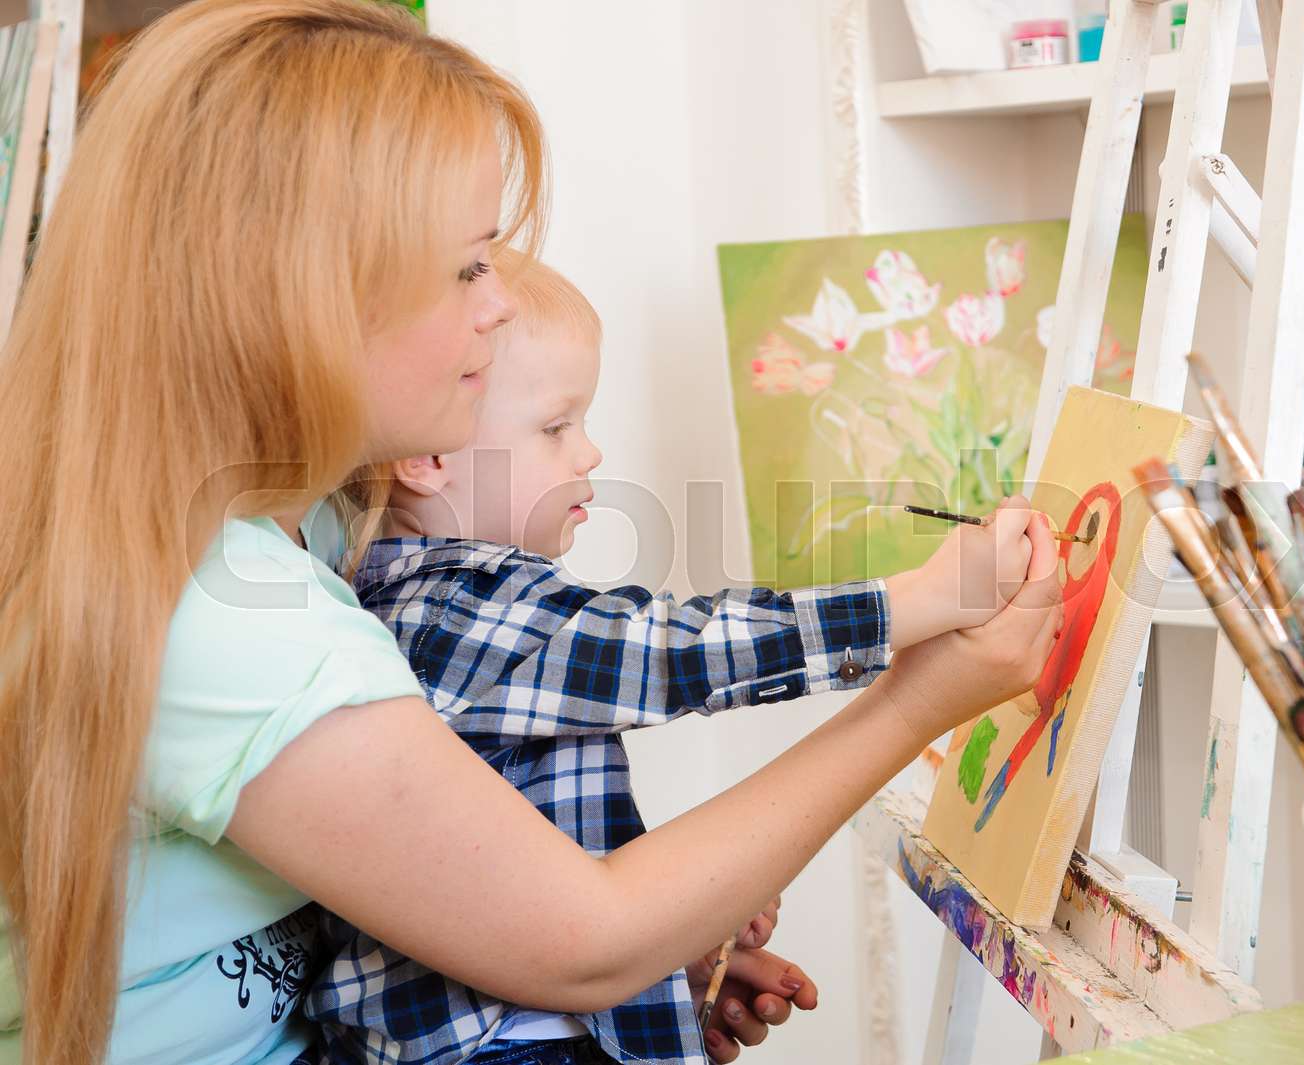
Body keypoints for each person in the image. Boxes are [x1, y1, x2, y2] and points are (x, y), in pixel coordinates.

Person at [0, 3, 1062, 1064]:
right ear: (302, 300)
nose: (499, 305)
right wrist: (910, 688)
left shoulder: (304, 543)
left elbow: (495, 909)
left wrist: (654, 945)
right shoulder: (229, 616)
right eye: (467, 266)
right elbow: (587, 937)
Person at [307, 256, 1040, 1065]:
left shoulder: (446, 604)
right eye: (555, 427)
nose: (589, 451)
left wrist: (684, 925)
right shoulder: (455, 614)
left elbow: (536, 877)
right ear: (427, 457)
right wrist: (913, 601)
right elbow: (674, 652)